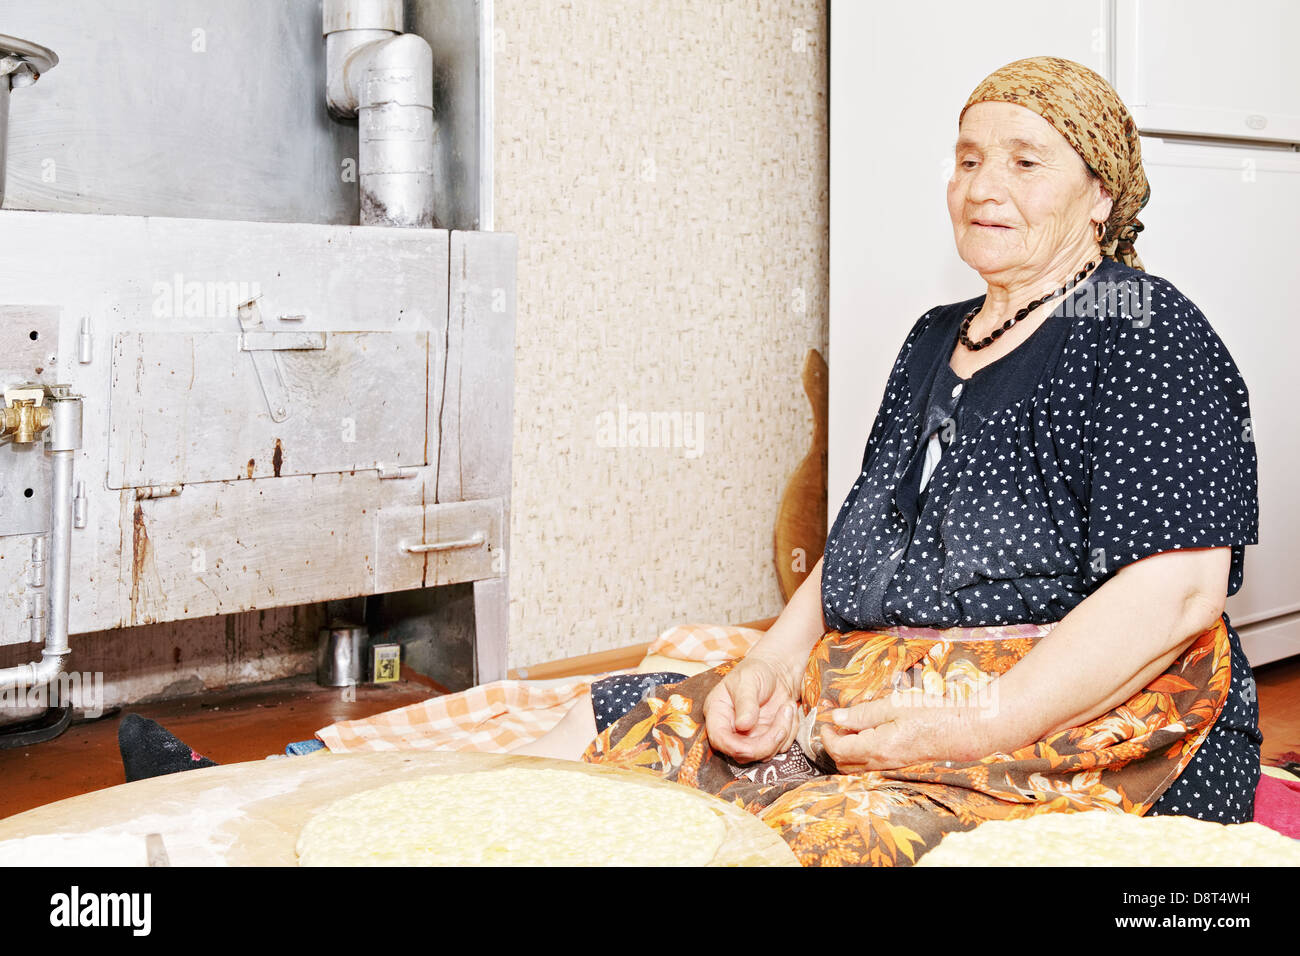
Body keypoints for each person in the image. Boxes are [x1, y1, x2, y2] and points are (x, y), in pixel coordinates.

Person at [519, 55, 1261, 867]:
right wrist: (770, 663)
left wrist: (980, 720)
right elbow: (866, 534)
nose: (982, 187)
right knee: (594, 730)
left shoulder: (1144, 327)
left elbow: (1179, 593)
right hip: (883, 677)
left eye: (1024, 161)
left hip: (1066, 709)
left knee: (810, 841)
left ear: (1101, 197)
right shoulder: (935, 336)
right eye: (969, 159)